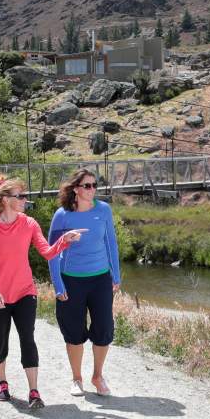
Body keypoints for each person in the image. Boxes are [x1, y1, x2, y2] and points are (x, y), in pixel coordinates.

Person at [0, 174, 81, 409]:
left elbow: (47, 252)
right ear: (5, 199)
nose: (25, 199)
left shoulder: (29, 223)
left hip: (25, 291)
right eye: (20, 196)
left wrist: (64, 241)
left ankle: (34, 392)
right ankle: (2, 382)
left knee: (28, 338)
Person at [48, 168, 122, 397]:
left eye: (94, 185)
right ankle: (77, 379)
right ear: (76, 190)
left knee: (104, 329)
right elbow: (51, 252)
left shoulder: (104, 210)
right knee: (74, 332)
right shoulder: (62, 215)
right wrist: (58, 286)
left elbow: (111, 243)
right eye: (87, 186)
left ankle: (97, 376)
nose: (92, 190)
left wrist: (116, 275)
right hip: (71, 280)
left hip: (100, 279)